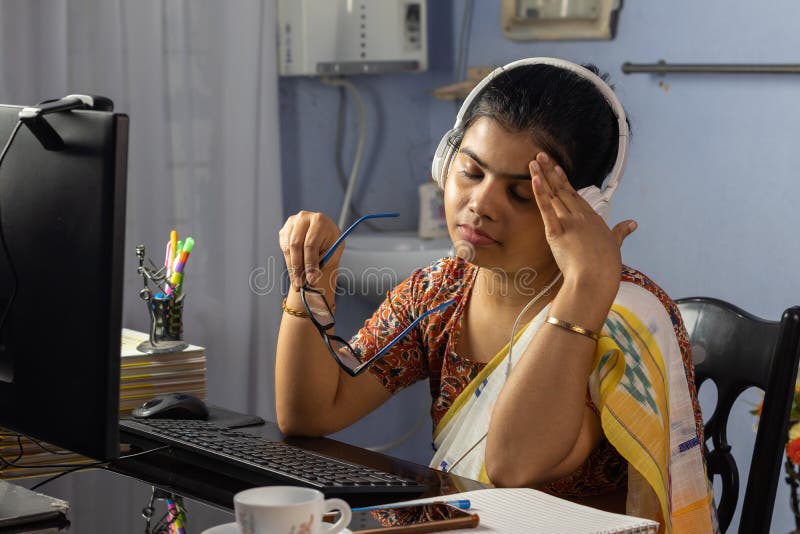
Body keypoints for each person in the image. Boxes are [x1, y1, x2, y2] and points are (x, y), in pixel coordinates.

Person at [275, 58, 715, 533]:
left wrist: (586, 285)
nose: (480, 204)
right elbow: (310, 412)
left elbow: (512, 466)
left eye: (522, 194)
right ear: (446, 163)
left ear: (585, 207)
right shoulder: (440, 291)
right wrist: (308, 285)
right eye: (470, 172)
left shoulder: (620, 316)